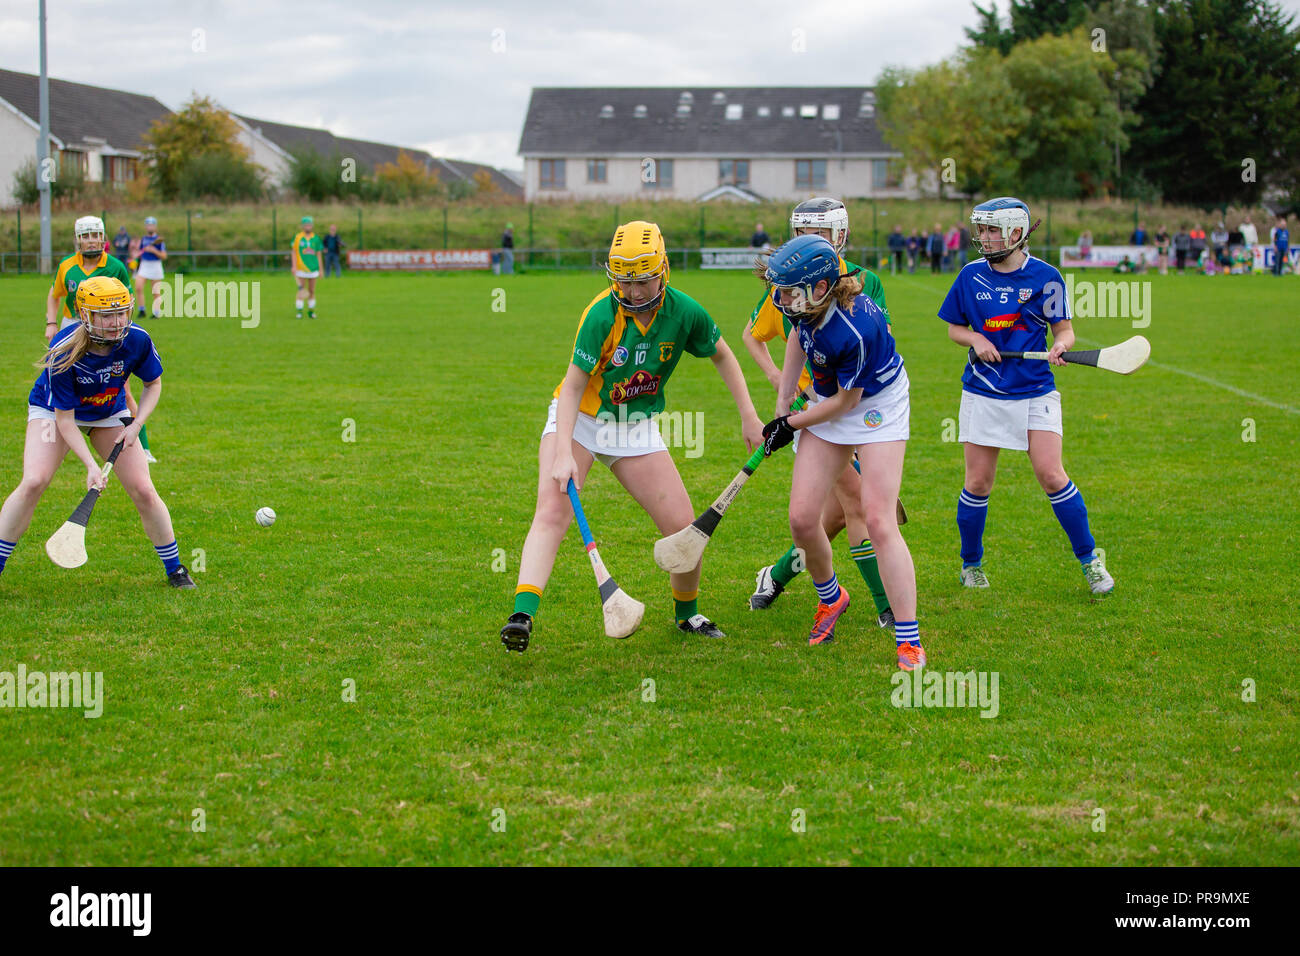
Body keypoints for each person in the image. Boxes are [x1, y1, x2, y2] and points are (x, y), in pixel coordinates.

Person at [500, 221, 764, 652]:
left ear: (663, 270)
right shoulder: (601, 314)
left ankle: (686, 614)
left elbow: (722, 354)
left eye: (643, 279)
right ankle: (522, 616)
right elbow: (570, 387)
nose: (634, 291)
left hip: (635, 426)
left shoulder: (684, 312)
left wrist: (749, 415)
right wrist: (563, 451)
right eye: (624, 279)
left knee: (684, 529)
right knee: (552, 510)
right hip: (582, 420)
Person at [757, 235, 924, 668]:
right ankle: (832, 598)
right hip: (829, 400)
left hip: (876, 406)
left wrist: (790, 425)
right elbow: (797, 337)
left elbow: (846, 405)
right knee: (801, 518)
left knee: (878, 518)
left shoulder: (856, 328)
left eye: (791, 291)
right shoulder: (801, 304)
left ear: (821, 287)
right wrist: (782, 402)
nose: (782, 298)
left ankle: (909, 638)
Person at [939, 197, 1114, 597]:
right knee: (978, 483)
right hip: (985, 390)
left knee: (1052, 475)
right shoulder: (970, 276)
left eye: (991, 230)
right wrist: (976, 337)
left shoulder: (1046, 277)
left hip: (1036, 388)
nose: (983, 238)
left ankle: (1090, 561)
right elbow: (954, 329)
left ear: (1016, 233)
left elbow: (1064, 330)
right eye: (980, 229)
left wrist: (1061, 346)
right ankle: (971, 565)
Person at [742, 197, 897, 628]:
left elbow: (867, 349)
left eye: (821, 234)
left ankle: (775, 576)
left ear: (841, 236)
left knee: (827, 520)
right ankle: (883, 605)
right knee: (850, 506)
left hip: (862, 408)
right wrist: (780, 385)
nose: (809, 241)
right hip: (813, 413)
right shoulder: (788, 281)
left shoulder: (866, 282)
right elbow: (760, 335)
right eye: (801, 233)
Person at [0, 276, 195, 588]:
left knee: (144, 490)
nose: (116, 322)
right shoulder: (63, 349)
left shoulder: (137, 339)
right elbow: (66, 421)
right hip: (54, 412)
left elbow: (153, 384)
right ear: (85, 315)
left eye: (121, 313)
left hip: (108, 412)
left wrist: (136, 426)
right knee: (34, 481)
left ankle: (175, 569)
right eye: (105, 315)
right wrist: (91, 465)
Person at [46, 215, 156, 463]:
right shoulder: (66, 265)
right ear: (78, 240)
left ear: (103, 237)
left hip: (106, 330)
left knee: (122, 390)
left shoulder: (115, 266)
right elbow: (54, 295)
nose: (91, 240)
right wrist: (51, 323)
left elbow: (127, 300)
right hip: (73, 328)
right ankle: (62, 439)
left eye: (96, 235)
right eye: (86, 236)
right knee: (65, 387)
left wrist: (120, 326)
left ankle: (142, 445)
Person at [134, 216, 167, 319]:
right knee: (138, 287)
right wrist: (136, 255)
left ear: (155, 227)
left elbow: (164, 256)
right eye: (148, 225)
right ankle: (142, 310)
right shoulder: (144, 239)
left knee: (156, 291)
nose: (150, 227)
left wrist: (153, 250)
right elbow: (140, 251)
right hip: (144, 265)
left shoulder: (158, 240)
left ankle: (157, 313)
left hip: (155, 265)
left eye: (152, 225)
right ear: (145, 227)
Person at [291, 216, 323, 318]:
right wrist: (294, 266)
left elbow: (318, 254)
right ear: (303, 226)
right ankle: (299, 312)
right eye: (306, 225)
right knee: (301, 290)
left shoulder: (316, 238)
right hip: (301, 268)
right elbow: (294, 252)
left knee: (312, 291)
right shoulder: (297, 237)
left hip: (313, 268)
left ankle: (311, 311)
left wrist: (321, 269)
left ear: (312, 226)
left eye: (310, 225)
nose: (308, 226)